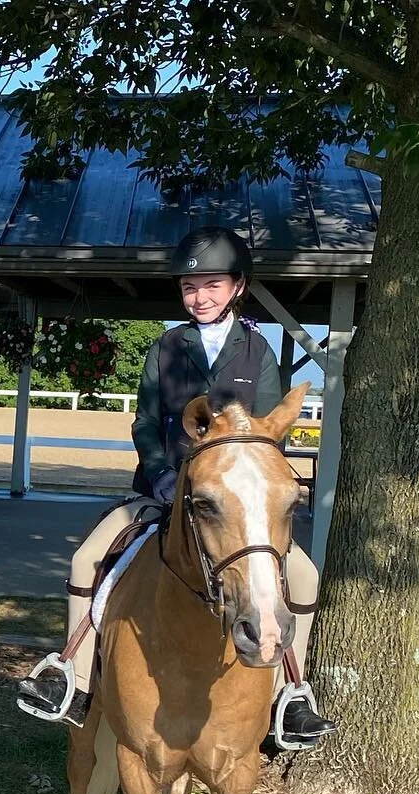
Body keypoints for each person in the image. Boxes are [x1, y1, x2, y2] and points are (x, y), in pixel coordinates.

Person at [16, 225, 335, 746]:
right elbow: (145, 422)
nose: (200, 296)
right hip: (161, 493)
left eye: (211, 284)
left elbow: (264, 433)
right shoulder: (165, 348)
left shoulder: (258, 354)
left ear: (237, 287)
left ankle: (287, 696)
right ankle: (71, 679)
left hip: (230, 504)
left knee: (302, 576)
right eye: (190, 287)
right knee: (84, 560)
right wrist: (164, 475)